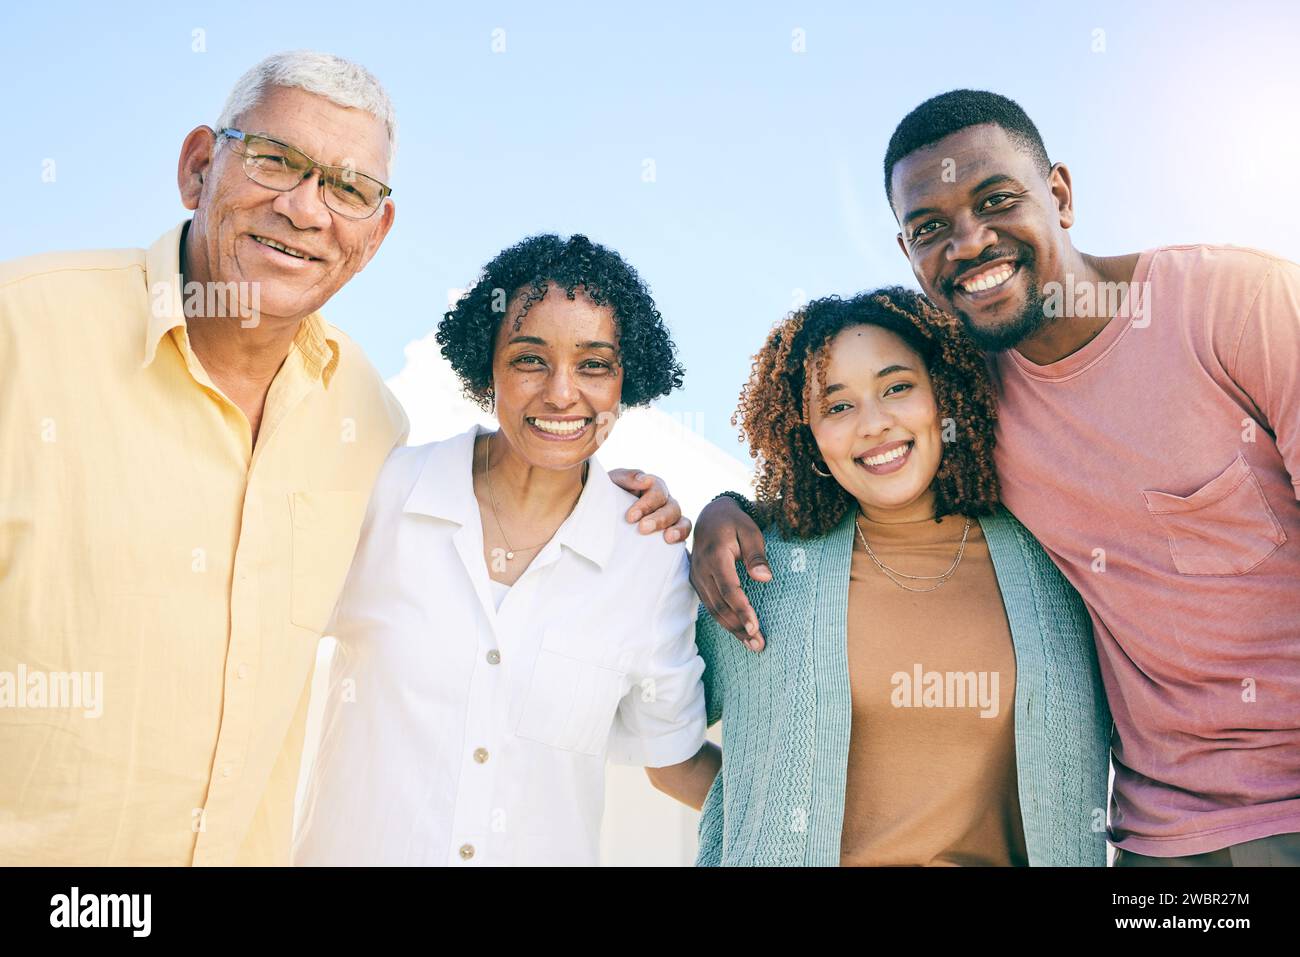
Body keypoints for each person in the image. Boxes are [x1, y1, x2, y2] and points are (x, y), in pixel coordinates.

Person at [0, 52, 687, 866]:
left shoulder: (365, 421)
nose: (303, 208)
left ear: (375, 232)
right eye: (274, 160)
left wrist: (718, 522)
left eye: (348, 187)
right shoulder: (23, 332)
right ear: (197, 167)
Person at [691, 90, 1300, 866]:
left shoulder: (1238, 306)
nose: (970, 242)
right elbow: (856, 449)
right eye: (931, 228)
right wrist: (727, 506)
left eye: (997, 200)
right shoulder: (971, 401)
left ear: (1063, 194)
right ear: (908, 251)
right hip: (1161, 840)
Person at [293, 234, 717, 866]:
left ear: (627, 379)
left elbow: (674, 759)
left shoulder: (649, 560)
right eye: (529, 359)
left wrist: (852, 836)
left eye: (595, 364)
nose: (561, 393)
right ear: (486, 364)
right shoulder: (383, 494)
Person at [651, 287, 1109, 866]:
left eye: (897, 387)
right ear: (808, 435)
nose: (874, 423)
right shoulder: (765, 572)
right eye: (838, 406)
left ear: (944, 396)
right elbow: (665, 754)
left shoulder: (1050, 556)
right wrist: (761, 819)